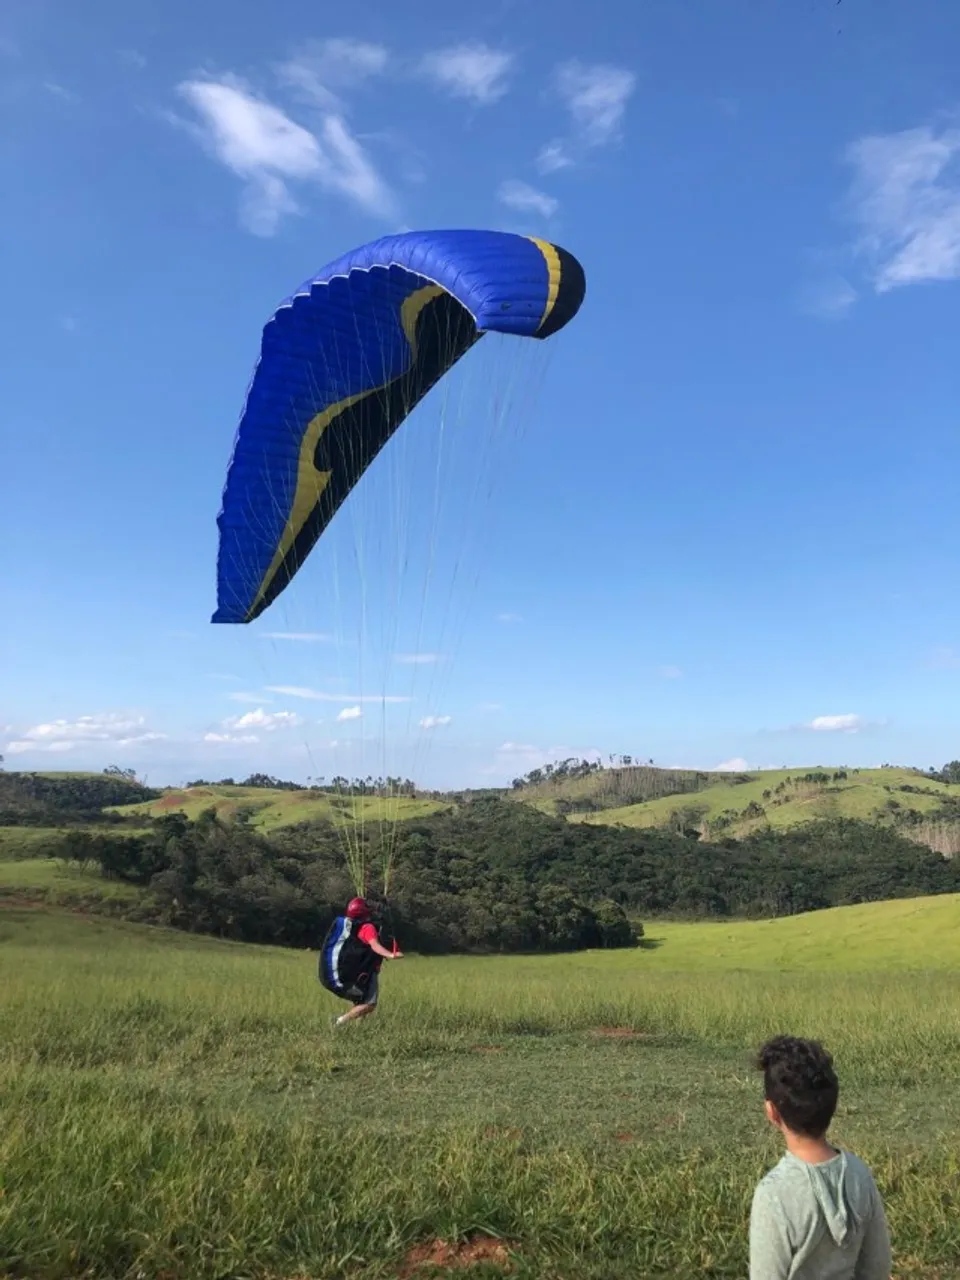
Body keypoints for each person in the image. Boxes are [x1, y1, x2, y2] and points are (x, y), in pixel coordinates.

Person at [750, 1035, 892, 1280]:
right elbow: (877, 1267)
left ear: (772, 1112)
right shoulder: (859, 1174)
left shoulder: (774, 1194)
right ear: (832, 1105)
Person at [318, 896, 403, 1026]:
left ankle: (358, 1029)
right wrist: (390, 954)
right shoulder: (368, 928)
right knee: (370, 1004)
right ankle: (338, 1022)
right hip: (368, 971)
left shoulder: (356, 928)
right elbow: (374, 945)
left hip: (360, 972)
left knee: (360, 1001)